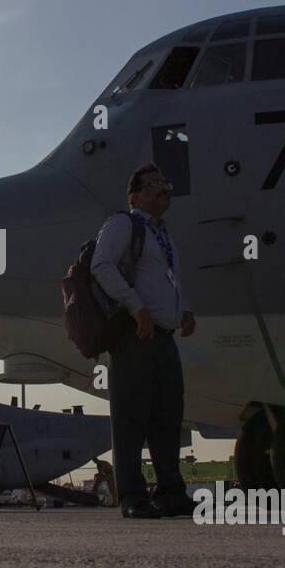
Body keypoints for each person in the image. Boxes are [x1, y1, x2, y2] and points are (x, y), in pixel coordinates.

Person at [91, 163, 196, 519]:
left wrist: (183, 310)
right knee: (130, 419)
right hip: (135, 336)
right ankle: (133, 496)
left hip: (164, 338)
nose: (162, 188)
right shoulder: (124, 225)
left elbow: (166, 279)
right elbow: (101, 265)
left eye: (164, 182)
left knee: (168, 418)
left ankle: (171, 493)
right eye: (152, 184)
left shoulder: (163, 234)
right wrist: (137, 308)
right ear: (134, 196)